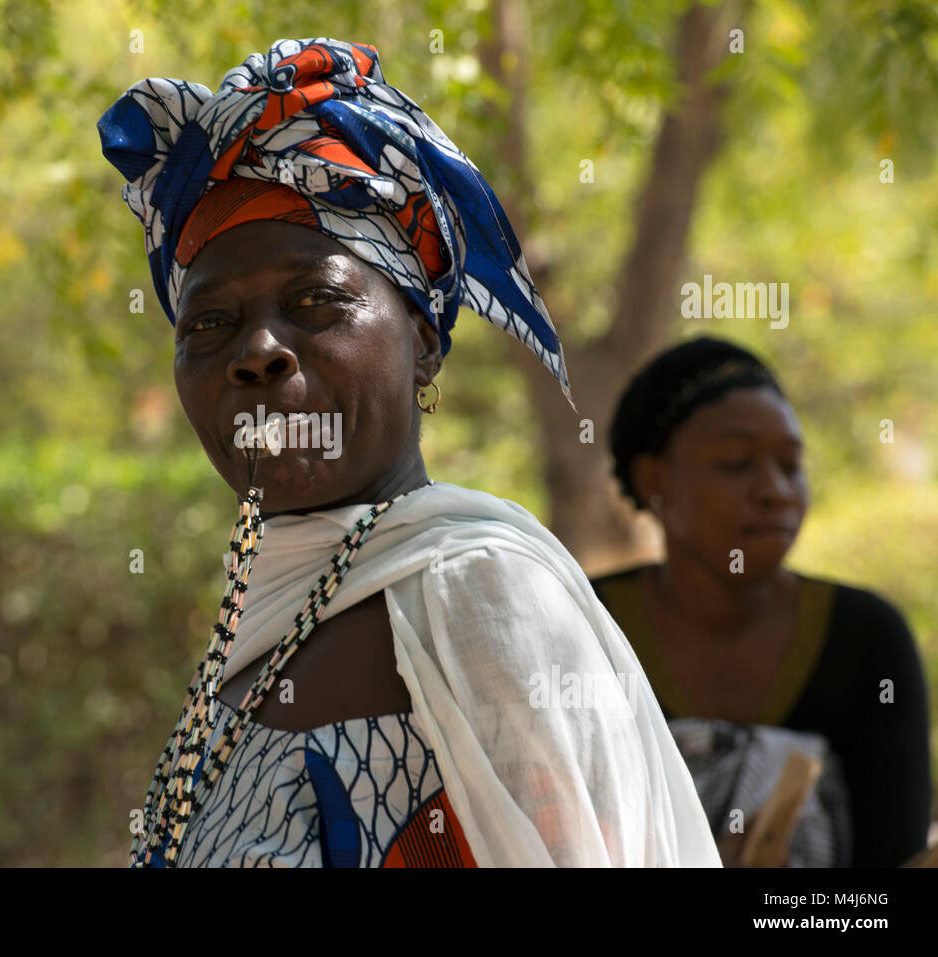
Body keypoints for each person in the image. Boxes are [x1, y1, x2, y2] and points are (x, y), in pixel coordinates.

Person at [98, 36, 721, 867]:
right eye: (209, 323)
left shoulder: (474, 597)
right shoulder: (263, 632)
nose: (258, 351)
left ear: (423, 343)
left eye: (316, 299)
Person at [591, 336, 932, 866]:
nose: (775, 490)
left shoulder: (866, 640)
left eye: (791, 465)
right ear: (654, 479)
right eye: (736, 463)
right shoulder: (584, 630)